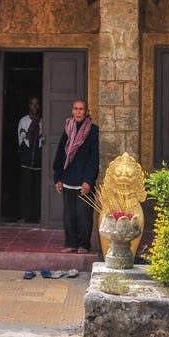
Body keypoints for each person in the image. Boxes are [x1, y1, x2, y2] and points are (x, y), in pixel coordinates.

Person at [53, 99, 99, 254]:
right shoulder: (68, 129)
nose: (78, 112)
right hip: (68, 180)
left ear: (86, 112)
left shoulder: (93, 131)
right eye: (76, 109)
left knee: (84, 215)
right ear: (72, 111)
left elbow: (94, 159)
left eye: (81, 109)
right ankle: (71, 243)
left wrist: (88, 180)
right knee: (69, 215)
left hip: (84, 183)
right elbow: (60, 154)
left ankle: (84, 245)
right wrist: (58, 177)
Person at [16, 95, 43, 223]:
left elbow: (43, 141)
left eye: (37, 104)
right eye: (32, 104)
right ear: (29, 105)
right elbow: (21, 140)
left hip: (38, 161)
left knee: (37, 190)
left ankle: (37, 216)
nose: (35, 106)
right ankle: (23, 215)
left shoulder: (43, 121)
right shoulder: (23, 121)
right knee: (25, 190)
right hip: (26, 161)